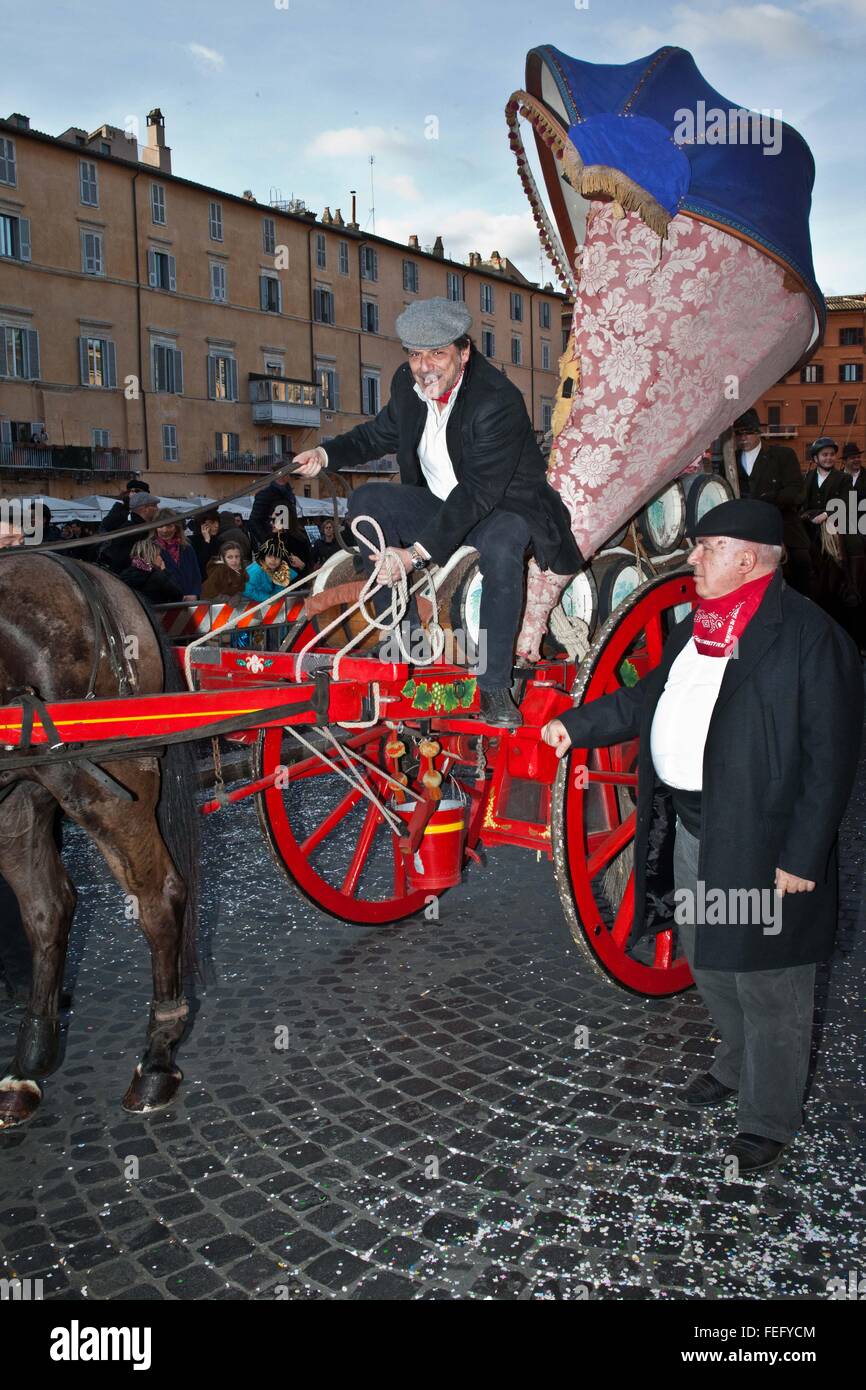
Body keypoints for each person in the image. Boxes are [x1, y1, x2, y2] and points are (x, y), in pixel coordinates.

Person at [541, 498, 864, 1174]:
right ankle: (735, 1059)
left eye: (706, 546)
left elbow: (830, 760)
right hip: (691, 827)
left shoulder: (812, 639)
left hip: (763, 841)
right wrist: (578, 725)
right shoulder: (699, 626)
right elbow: (644, 698)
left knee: (769, 980)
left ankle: (767, 1117)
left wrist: (803, 858)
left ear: (747, 558)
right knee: (710, 958)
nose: (692, 558)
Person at [293, 297, 581, 727]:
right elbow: (378, 434)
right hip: (441, 500)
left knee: (503, 549)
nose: (424, 365)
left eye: (437, 353)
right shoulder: (407, 387)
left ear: (464, 351)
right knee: (366, 501)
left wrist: (414, 554)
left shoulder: (496, 400)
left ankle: (494, 686)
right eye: (414, 354)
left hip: (502, 506)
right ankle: (403, 626)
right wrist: (324, 452)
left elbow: (478, 493)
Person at [732, 409, 811, 596]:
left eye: (748, 432)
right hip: (745, 528)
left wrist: (767, 501)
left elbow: (796, 490)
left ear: (758, 432)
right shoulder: (731, 460)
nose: (744, 438)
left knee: (801, 561)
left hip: (782, 522)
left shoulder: (783, 455)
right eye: (739, 434)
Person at [102, 490, 159, 573]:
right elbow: (123, 563)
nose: (157, 509)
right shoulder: (131, 532)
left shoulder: (142, 529)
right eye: (154, 505)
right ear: (145, 509)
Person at [120, 538, 184, 604]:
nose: (161, 558)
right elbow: (178, 595)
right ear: (151, 556)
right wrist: (165, 571)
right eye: (158, 555)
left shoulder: (125, 575)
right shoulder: (158, 577)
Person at [154, 510, 202, 599]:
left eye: (169, 526)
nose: (164, 530)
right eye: (160, 526)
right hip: (164, 603)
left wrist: (195, 594)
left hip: (188, 602)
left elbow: (196, 575)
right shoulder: (150, 549)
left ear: (176, 527)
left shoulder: (187, 548)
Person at [243, 536, 297, 603]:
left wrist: (273, 598)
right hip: (245, 605)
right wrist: (268, 598)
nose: (273, 560)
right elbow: (245, 589)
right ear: (264, 557)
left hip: (262, 604)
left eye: (277, 557)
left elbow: (278, 589)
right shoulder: (257, 570)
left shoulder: (283, 571)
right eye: (269, 556)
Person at [189, 511, 222, 575]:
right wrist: (207, 541)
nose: (216, 526)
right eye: (212, 522)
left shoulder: (219, 541)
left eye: (217, 522)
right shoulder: (193, 541)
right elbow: (201, 563)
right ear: (202, 525)